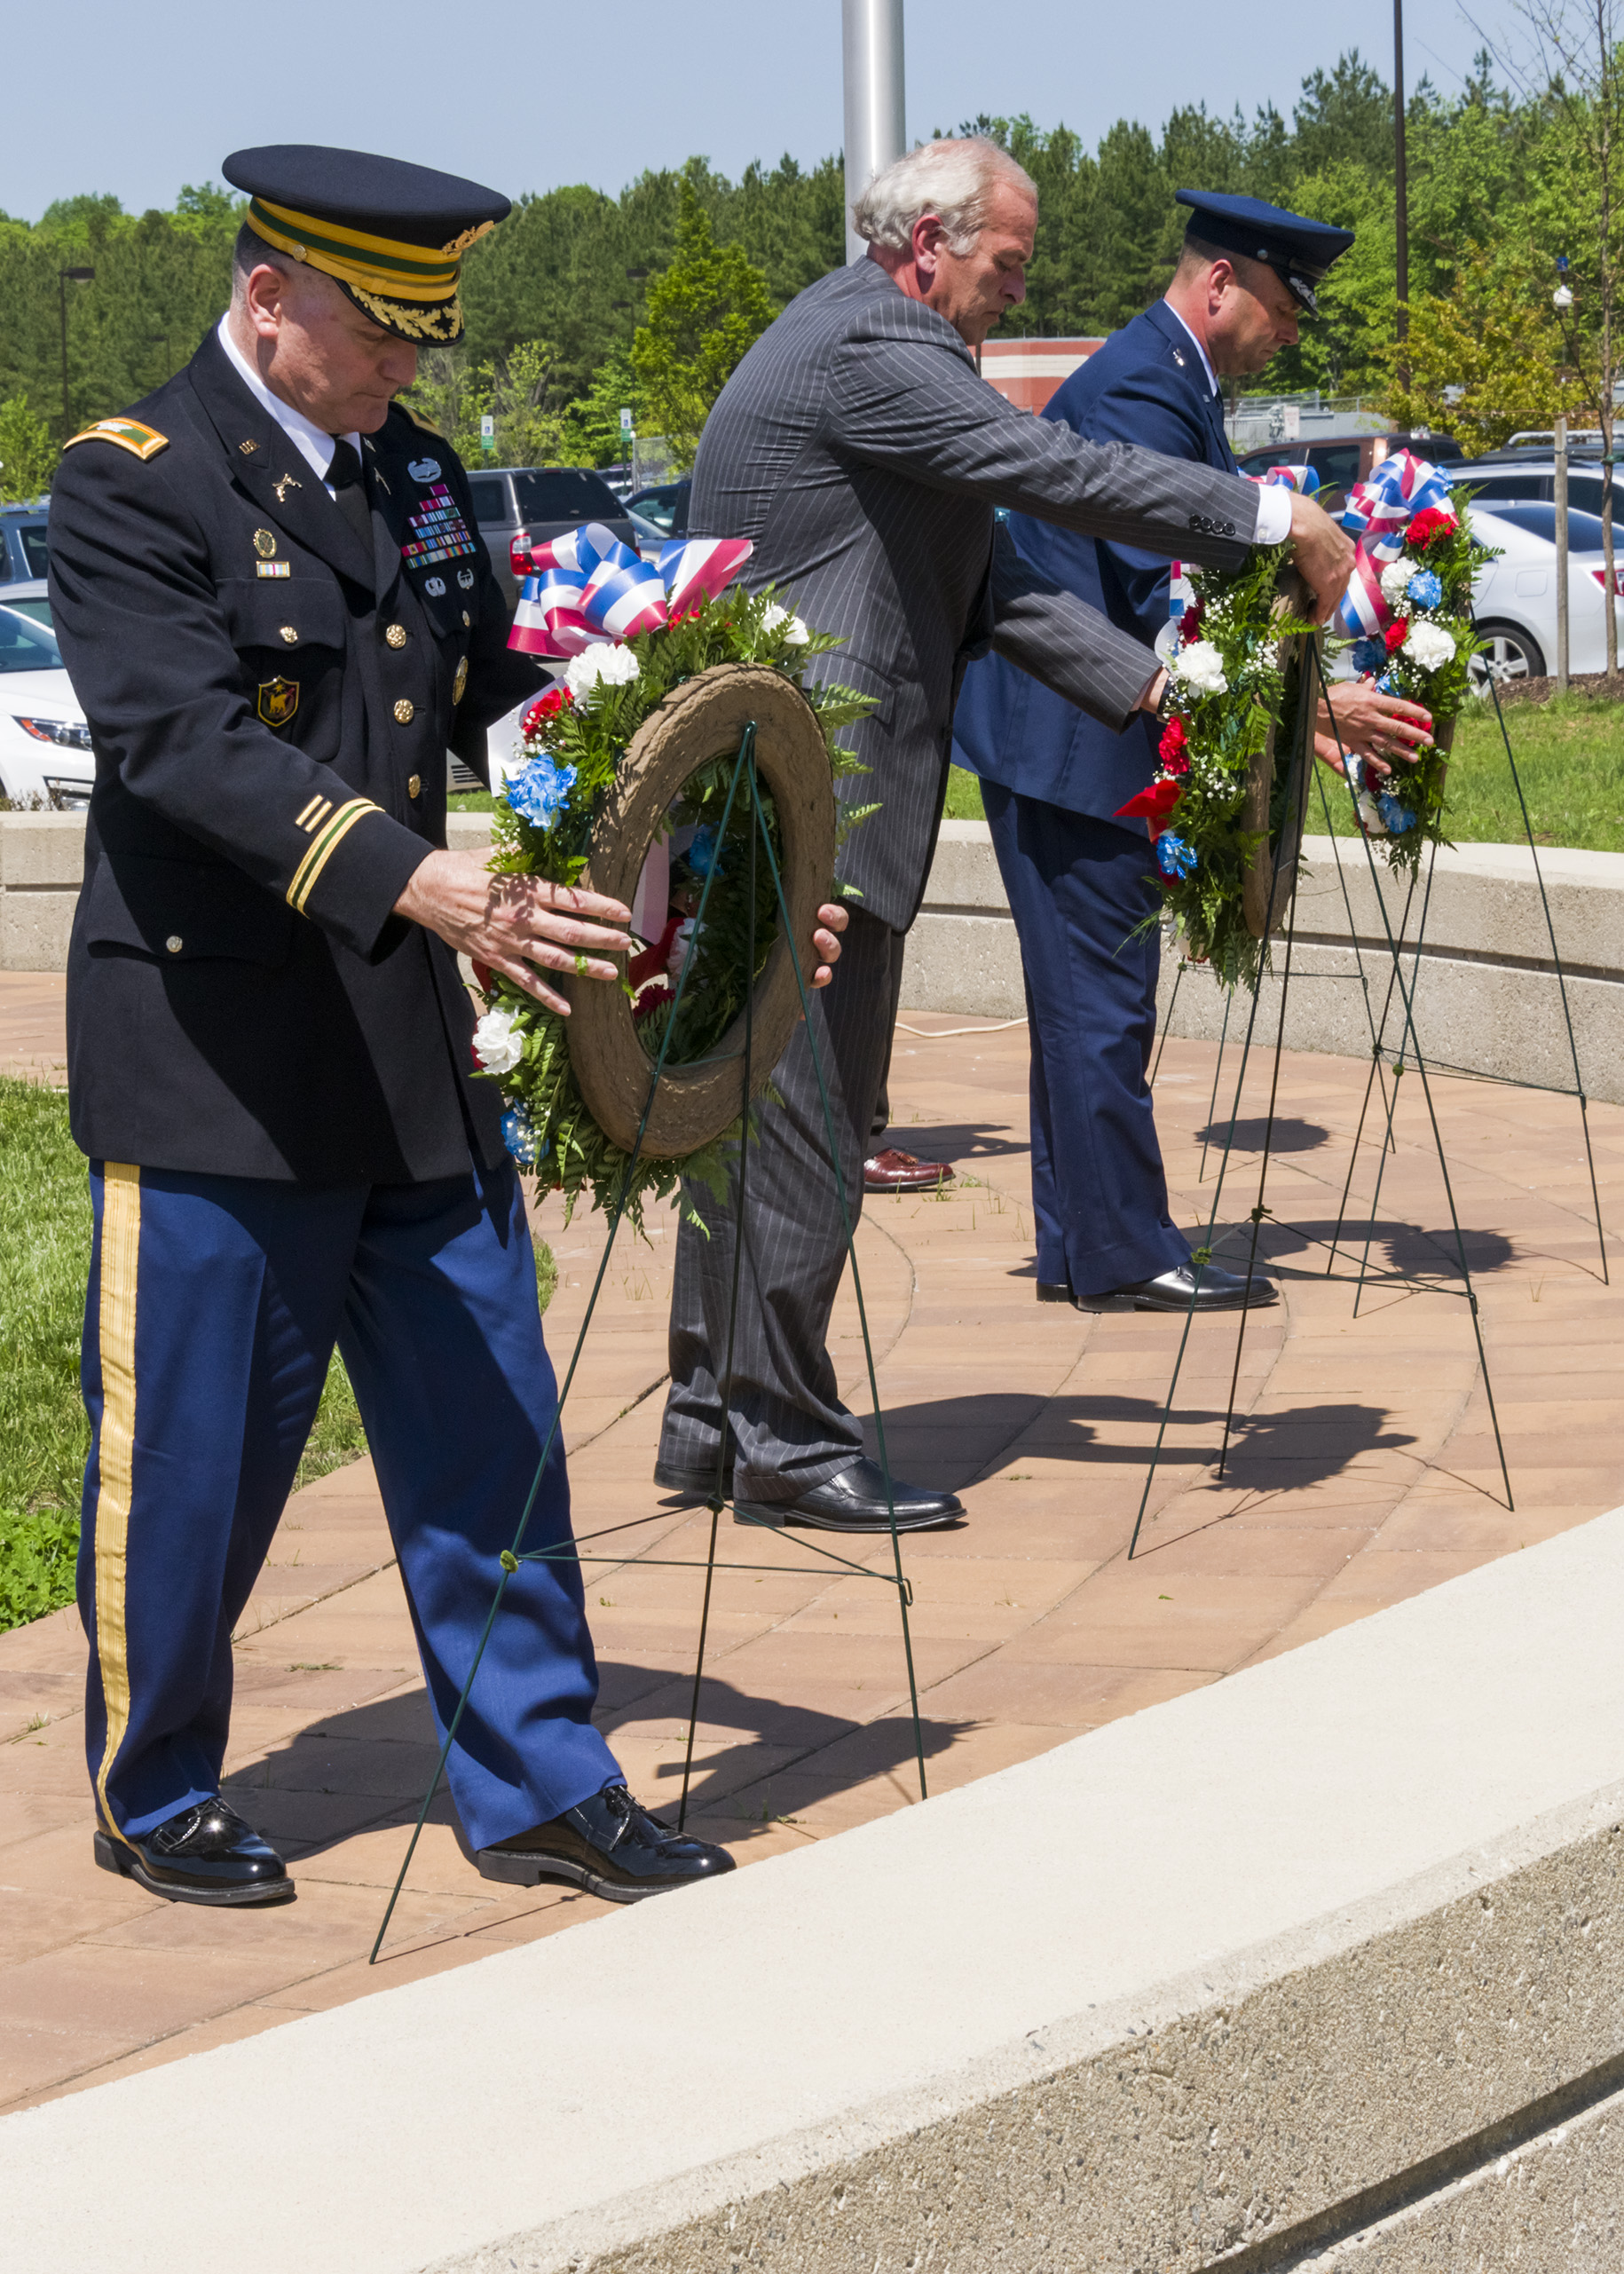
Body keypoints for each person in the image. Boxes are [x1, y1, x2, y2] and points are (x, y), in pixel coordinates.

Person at [47, 146, 840, 1910]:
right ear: (270, 294)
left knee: (491, 1426)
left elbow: (497, 686)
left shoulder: (412, 473)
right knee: (196, 1467)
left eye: (427, 331)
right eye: (383, 326)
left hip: (411, 1051)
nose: (416, 363)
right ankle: (155, 1784)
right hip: (219, 1064)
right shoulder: (134, 484)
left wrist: (727, 838)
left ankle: (544, 1780)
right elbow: (183, 745)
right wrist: (428, 885)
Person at [655, 144, 1355, 1538]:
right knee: (803, 1117)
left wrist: (1150, 688)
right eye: (1010, 262)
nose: (1020, 284)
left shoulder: (872, 339)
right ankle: (783, 1433)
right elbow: (1047, 471)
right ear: (927, 240)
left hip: (789, 788)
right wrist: (1271, 515)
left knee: (764, 1111)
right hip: (810, 797)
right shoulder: (874, 345)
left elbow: (992, 590)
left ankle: (711, 1415)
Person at [954, 192, 1436, 1316]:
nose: (1292, 333)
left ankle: (1085, 1239)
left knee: (1084, 1005)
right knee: (1101, 1006)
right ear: (1219, 285)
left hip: (1083, 733)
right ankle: (1122, 1250)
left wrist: (1312, 708)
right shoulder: (1141, 387)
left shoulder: (1173, 381)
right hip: (1076, 741)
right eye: (1281, 307)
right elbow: (1167, 599)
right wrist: (1321, 711)